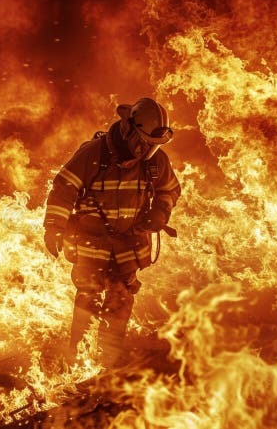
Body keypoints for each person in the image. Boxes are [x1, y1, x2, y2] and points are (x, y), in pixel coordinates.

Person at [43, 98, 181, 366]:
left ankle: (107, 362)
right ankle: (77, 360)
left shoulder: (155, 161)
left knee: (121, 298)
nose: (147, 151)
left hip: (128, 246)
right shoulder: (94, 155)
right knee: (88, 297)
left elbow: (169, 189)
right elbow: (64, 189)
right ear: (129, 129)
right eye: (144, 143)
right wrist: (54, 227)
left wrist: (160, 211)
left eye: (153, 146)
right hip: (91, 244)